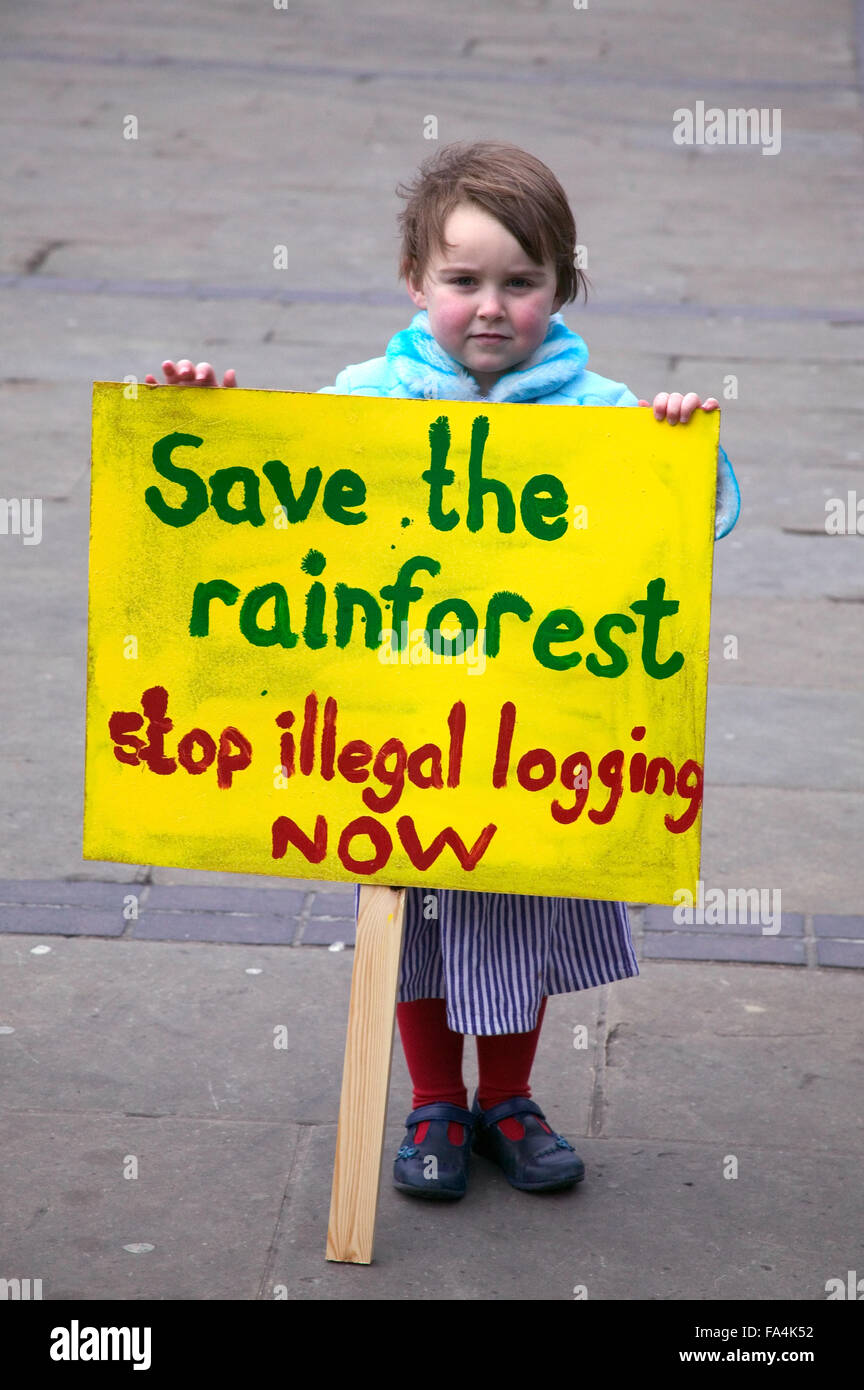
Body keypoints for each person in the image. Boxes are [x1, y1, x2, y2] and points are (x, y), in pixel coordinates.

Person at [145, 139, 740, 1203]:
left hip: (534, 745)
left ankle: (506, 1097)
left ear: (564, 285)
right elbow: (275, 496)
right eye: (463, 280)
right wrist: (205, 412)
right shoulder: (368, 398)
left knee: (516, 924)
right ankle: (432, 1099)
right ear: (416, 281)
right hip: (398, 742)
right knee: (410, 921)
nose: (492, 306)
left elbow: (692, 524)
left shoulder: (599, 412)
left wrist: (679, 448)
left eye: (524, 281)